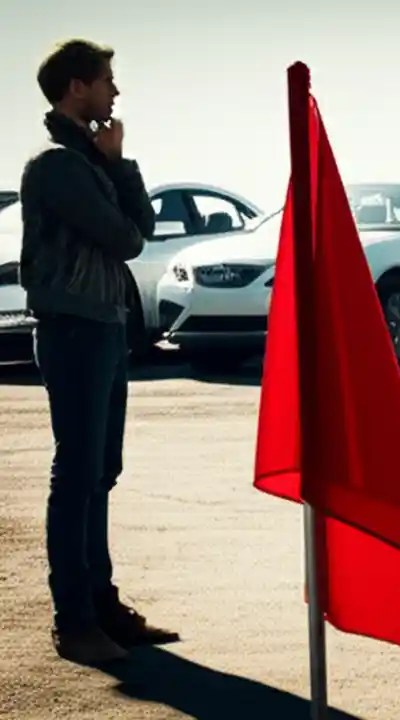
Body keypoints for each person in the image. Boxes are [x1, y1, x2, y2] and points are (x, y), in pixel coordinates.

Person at [20, 39, 178, 666]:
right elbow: (125, 237)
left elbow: (142, 226)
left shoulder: (90, 161)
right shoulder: (56, 166)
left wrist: (118, 162)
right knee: (78, 472)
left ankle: (102, 606)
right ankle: (75, 621)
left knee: (101, 472)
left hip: (106, 327)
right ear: (77, 88)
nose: (115, 92)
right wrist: (111, 166)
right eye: (107, 81)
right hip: (75, 329)